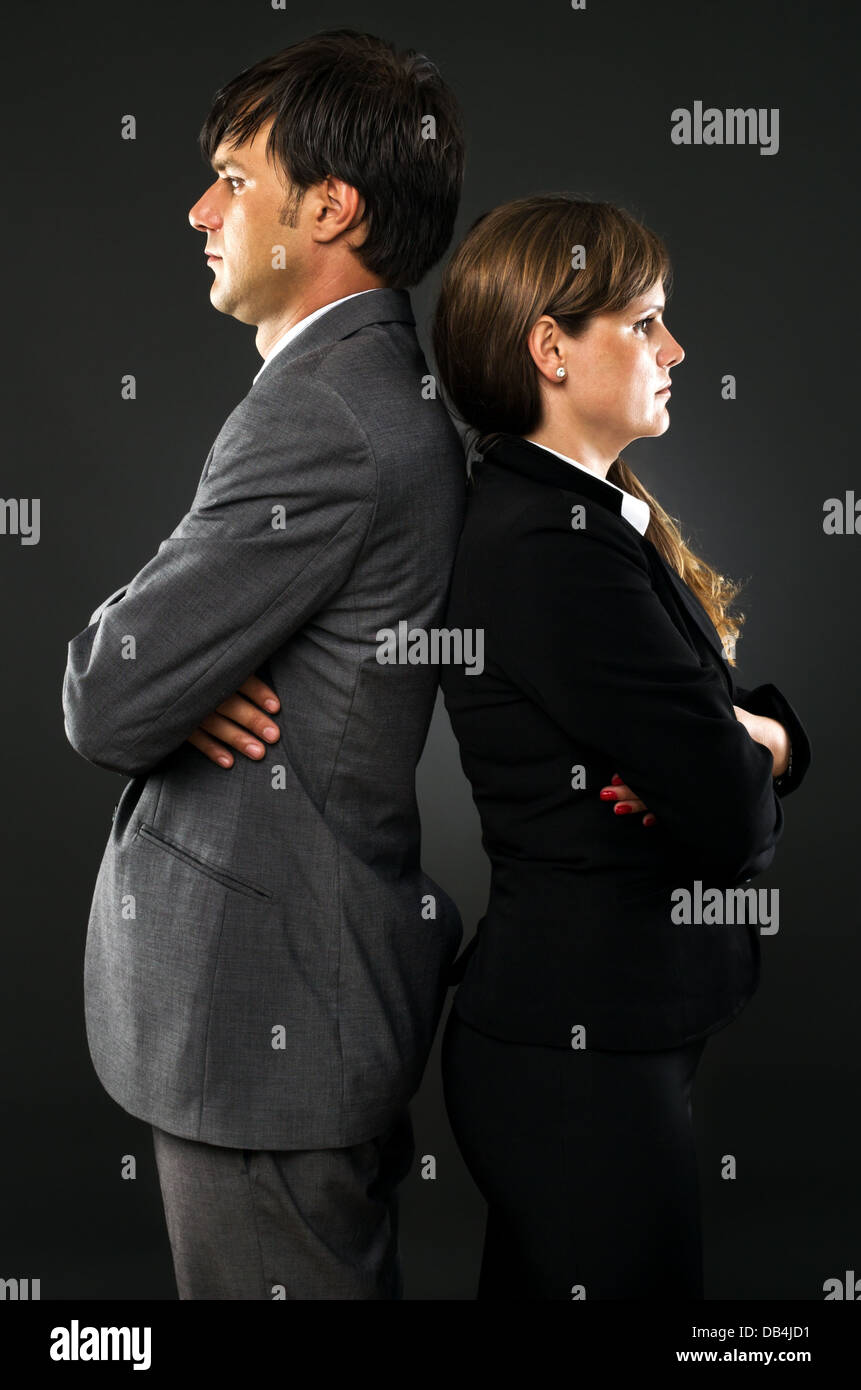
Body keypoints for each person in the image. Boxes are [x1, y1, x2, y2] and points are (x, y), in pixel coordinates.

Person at [62, 30, 467, 1300]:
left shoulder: (321, 416)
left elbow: (107, 690)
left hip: (264, 1021)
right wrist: (187, 669)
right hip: (293, 991)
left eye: (234, 179)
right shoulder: (358, 389)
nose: (198, 210)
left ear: (330, 208)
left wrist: (170, 678)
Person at [429, 194, 811, 1300]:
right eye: (645, 322)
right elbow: (731, 815)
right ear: (551, 346)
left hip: (589, 1043)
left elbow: (717, 747)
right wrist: (747, 752)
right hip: (572, 1063)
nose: (675, 347)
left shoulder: (584, 513)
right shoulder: (551, 549)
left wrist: (746, 737)